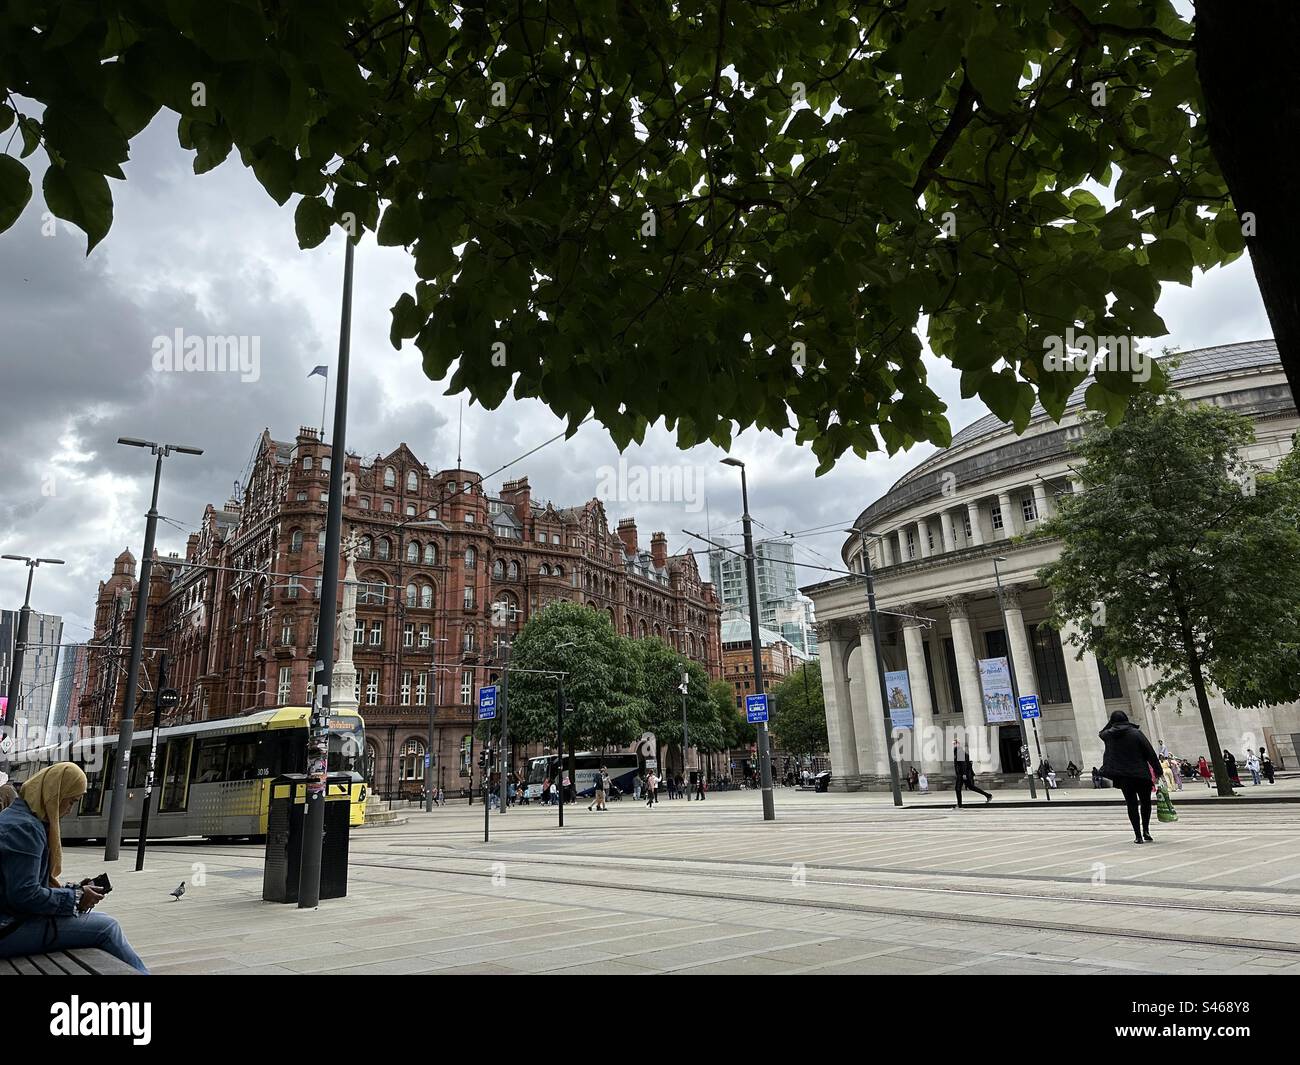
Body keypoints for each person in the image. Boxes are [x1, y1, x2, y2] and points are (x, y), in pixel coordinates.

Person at [0, 763, 149, 973]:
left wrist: (76, 890)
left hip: (9, 920)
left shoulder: (17, 817)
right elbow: (25, 895)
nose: (69, 810)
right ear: (54, 795)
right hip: (8, 929)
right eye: (71, 801)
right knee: (107, 928)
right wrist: (76, 897)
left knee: (104, 924)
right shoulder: (26, 829)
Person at [1099, 710, 1163, 844]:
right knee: (1145, 803)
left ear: (1112, 722)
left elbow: (1101, 733)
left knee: (1131, 804)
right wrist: (1158, 771)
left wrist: (1110, 724)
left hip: (1124, 777)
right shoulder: (1136, 733)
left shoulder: (1109, 735)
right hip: (1141, 775)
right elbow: (1149, 752)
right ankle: (1146, 830)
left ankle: (1137, 835)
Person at [953, 742, 991, 807]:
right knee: (971, 787)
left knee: (958, 788)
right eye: (953, 744)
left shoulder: (960, 753)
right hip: (962, 774)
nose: (953, 745)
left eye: (955, 744)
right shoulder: (959, 752)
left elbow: (963, 764)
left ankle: (959, 805)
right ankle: (988, 795)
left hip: (962, 774)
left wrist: (964, 774)